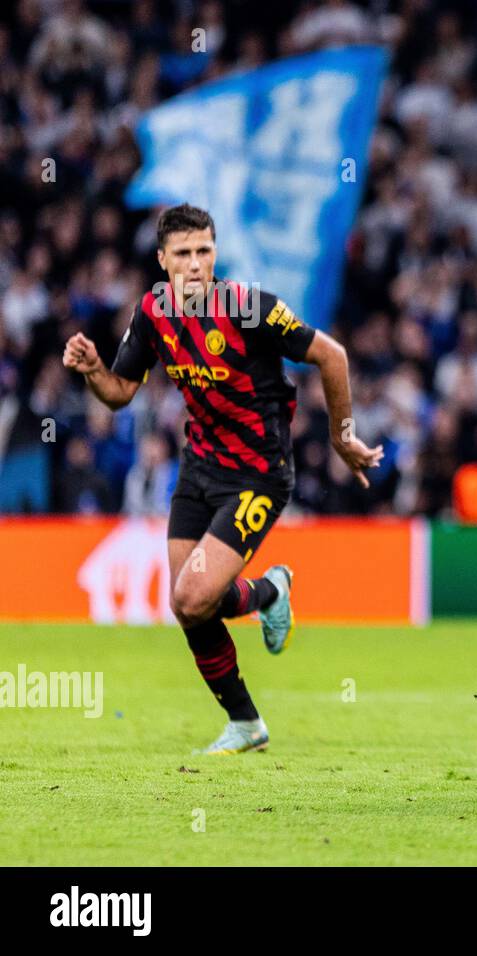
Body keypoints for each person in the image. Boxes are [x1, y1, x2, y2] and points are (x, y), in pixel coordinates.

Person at [62, 203, 382, 754]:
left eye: (204, 251)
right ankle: (247, 719)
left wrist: (341, 437)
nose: (194, 264)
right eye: (182, 254)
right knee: (189, 605)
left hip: (258, 474)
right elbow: (119, 394)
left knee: (190, 596)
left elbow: (332, 356)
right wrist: (93, 370)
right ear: (163, 260)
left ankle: (266, 596)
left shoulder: (250, 308)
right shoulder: (152, 313)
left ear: (215, 253)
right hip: (198, 467)